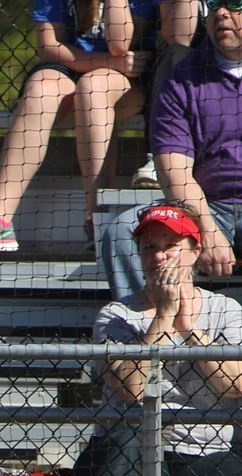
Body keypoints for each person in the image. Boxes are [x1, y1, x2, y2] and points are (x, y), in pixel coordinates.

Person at [67, 201, 242, 476]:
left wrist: (188, 330)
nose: (159, 257)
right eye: (149, 248)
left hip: (199, 456)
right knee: (130, 435)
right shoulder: (116, 315)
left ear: (193, 251)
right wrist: (162, 318)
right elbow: (130, 387)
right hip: (124, 455)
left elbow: (237, 386)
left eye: (170, 246)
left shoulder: (225, 310)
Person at [0, 0, 155, 253]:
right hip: (76, 65)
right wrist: (106, 62)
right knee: (40, 91)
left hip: (125, 78)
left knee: (92, 88)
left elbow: (120, 46)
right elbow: (49, 47)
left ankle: (98, 220)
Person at [101, 0, 242, 299]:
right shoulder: (181, 79)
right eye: (214, 4)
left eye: (235, 4)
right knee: (124, 232)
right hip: (206, 207)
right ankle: (151, 333)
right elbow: (174, 172)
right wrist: (208, 230)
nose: (221, 13)